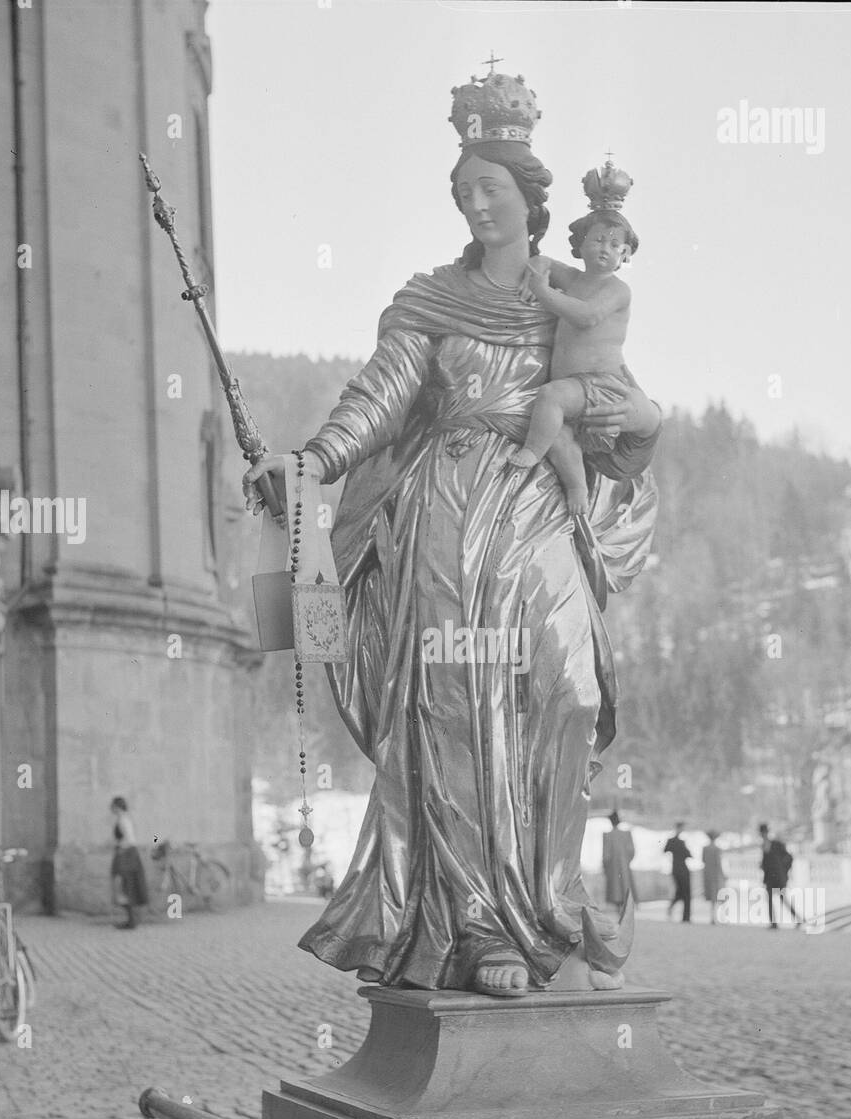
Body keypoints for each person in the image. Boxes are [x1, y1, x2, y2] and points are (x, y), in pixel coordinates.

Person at [242, 69, 662, 997]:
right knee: (454, 705)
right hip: (447, 508)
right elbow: (381, 397)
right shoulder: (432, 299)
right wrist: (314, 462)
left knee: (569, 691)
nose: (476, 205)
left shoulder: (573, 296)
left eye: (491, 189)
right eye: (463, 191)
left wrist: (640, 425)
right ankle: (477, 927)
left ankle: (549, 899)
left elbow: (611, 412)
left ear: (530, 197)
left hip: (539, 504)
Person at [507, 167, 638, 516]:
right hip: (574, 386)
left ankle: (530, 453)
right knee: (560, 436)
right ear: (580, 245)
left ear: (625, 254)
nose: (604, 249)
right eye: (596, 240)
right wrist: (538, 265)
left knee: (549, 399)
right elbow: (545, 261)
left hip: (599, 384)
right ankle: (576, 485)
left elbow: (585, 316)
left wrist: (541, 290)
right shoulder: (576, 278)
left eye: (614, 245)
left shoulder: (616, 290)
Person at [110, 796, 148, 930]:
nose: (111, 808)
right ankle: (131, 919)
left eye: (113, 806)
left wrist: (120, 849)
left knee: (126, 885)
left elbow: (130, 840)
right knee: (124, 886)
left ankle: (132, 920)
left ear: (117, 806)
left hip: (127, 856)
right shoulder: (123, 819)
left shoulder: (124, 820)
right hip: (126, 855)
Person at [760, 823, 794, 929]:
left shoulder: (776, 844)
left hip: (778, 877)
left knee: (782, 899)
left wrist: (783, 871)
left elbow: (788, 857)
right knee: (772, 899)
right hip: (770, 878)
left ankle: (796, 918)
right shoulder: (765, 845)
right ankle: (774, 922)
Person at [602, 810, 637, 909]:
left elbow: (606, 855)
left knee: (616, 889)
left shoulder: (607, 835)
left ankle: (619, 908)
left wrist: (605, 867)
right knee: (625, 886)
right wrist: (626, 862)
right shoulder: (626, 834)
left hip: (613, 868)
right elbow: (632, 851)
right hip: (625, 866)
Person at [663, 823, 692, 923]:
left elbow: (665, 850)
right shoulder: (680, 842)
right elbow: (689, 854)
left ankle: (673, 909)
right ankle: (686, 917)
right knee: (685, 894)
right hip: (683, 870)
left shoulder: (672, 841)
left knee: (680, 892)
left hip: (675, 869)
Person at [702, 830, 724, 921]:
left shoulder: (705, 848)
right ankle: (718, 916)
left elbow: (703, 860)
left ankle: (713, 916)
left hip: (707, 873)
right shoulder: (717, 849)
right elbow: (718, 863)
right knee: (718, 896)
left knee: (712, 897)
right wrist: (722, 874)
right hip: (715, 874)